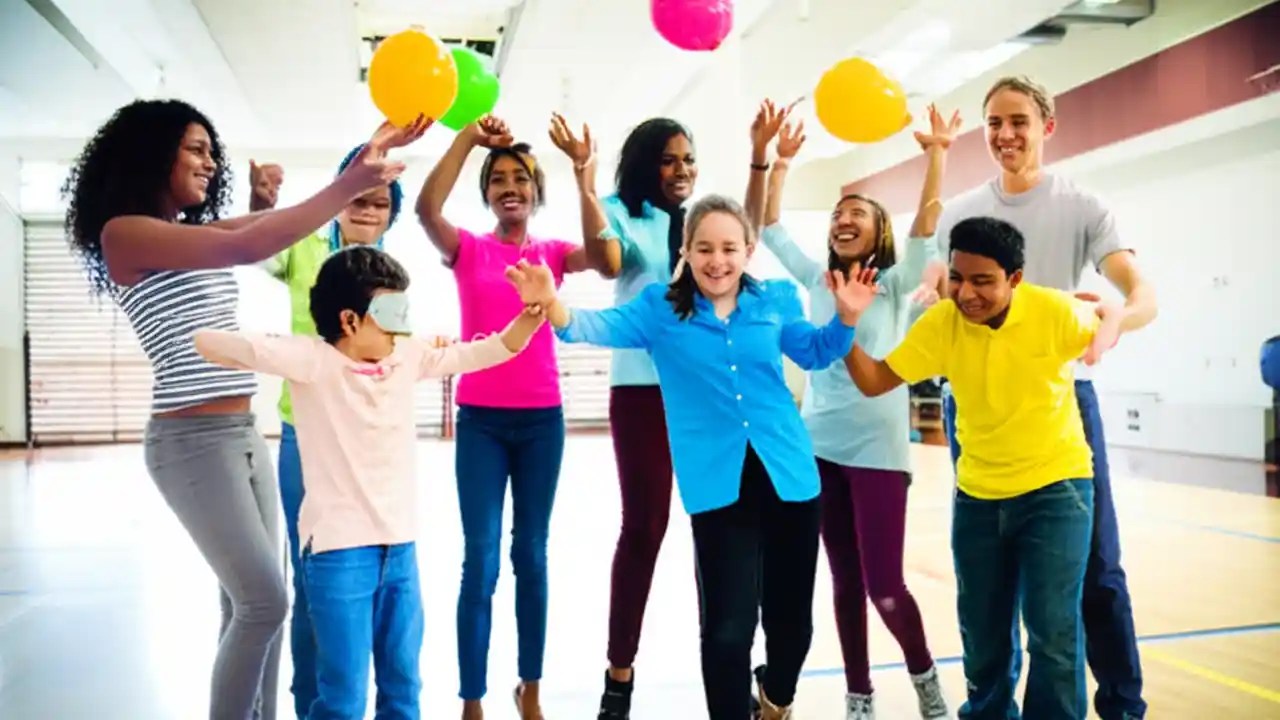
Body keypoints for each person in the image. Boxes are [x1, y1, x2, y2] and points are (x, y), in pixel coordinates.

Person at [61, 97, 427, 720]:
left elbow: (264, 227)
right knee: (264, 603)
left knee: (252, 605)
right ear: (153, 154)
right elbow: (253, 240)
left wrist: (363, 161)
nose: (210, 162)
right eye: (196, 149)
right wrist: (349, 183)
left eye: (211, 152)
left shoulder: (188, 233)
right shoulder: (124, 234)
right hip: (189, 443)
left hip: (242, 433)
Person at [507, 193, 877, 720]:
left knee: (792, 627)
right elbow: (589, 327)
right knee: (727, 631)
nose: (716, 260)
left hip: (790, 477)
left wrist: (846, 319)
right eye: (704, 248)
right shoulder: (659, 309)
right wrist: (551, 302)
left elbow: (816, 351)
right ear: (685, 250)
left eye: (729, 248)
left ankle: (776, 698)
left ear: (748, 250)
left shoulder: (775, 299)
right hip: (717, 487)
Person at [193, 245, 550, 718]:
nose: (400, 328)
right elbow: (207, 342)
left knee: (404, 690)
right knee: (343, 697)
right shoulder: (311, 361)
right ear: (349, 320)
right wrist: (277, 345)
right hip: (339, 554)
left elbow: (490, 350)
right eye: (389, 315)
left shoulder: (407, 355)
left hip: (401, 551)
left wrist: (534, 313)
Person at [545, 101, 787, 719]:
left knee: (724, 529)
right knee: (645, 528)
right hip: (643, 394)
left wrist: (760, 158)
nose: (682, 170)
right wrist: (584, 181)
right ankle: (618, 677)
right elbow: (607, 262)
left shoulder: (702, 223)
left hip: (709, 394)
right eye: (669, 160)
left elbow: (747, 234)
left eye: (689, 160)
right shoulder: (625, 213)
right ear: (645, 165)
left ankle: (731, 675)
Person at [931, 75, 1157, 720]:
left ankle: (1122, 706)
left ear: (1046, 127)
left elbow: (1142, 293)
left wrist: (1115, 319)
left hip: (1064, 408)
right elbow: (944, 292)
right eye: (993, 123)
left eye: (1018, 122)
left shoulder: (1082, 207)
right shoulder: (961, 212)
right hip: (978, 409)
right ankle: (991, 707)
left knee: (1098, 568)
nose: (1004, 135)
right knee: (990, 579)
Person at [845, 216, 1125, 720]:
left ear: (1015, 279)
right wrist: (845, 325)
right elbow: (875, 380)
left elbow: (1130, 312)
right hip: (979, 496)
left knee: (1053, 632)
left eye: (982, 281)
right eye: (957, 278)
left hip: (1057, 490)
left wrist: (1114, 314)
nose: (966, 294)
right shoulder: (942, 324)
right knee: (982, 633)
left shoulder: (1054, 311)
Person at [759, 106, 960, 720]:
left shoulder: (894, 283)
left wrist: (937, 154)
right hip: (819, 446)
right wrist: (781, 163)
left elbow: (926, 226)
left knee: (885, 586)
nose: (844, 220)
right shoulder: (817, 280)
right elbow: (770, 227)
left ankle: (925, 678)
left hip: (878, 450)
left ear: (878, 233)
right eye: (837, 215)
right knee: (844, 583)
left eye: (858, 214)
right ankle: (859, 695)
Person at [416, 114, 591, 720]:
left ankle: (530, 688)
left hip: (542, 422)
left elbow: (608, 257)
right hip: (482, 424)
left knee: (532, 556)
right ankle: (472, 699)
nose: (510, 186)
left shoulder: (553, 255)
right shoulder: (469, 250)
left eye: (521, 178)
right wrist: (469, 139)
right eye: (498, 179)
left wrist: (583, 172)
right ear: (486, 192)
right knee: (481, 559)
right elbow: (426, 210)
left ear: (537, 192)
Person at [254, 142, 413, 718]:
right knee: (312, 584)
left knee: (384, 589)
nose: (368, 210)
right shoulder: (304, 246)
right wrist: (261, 204)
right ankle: (311, 706)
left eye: (380, 203)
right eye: (358, 198)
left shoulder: (391, 279)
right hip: (307, 438)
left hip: (372, 446)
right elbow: (260, 249)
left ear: (393, 213)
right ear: (339, 197)